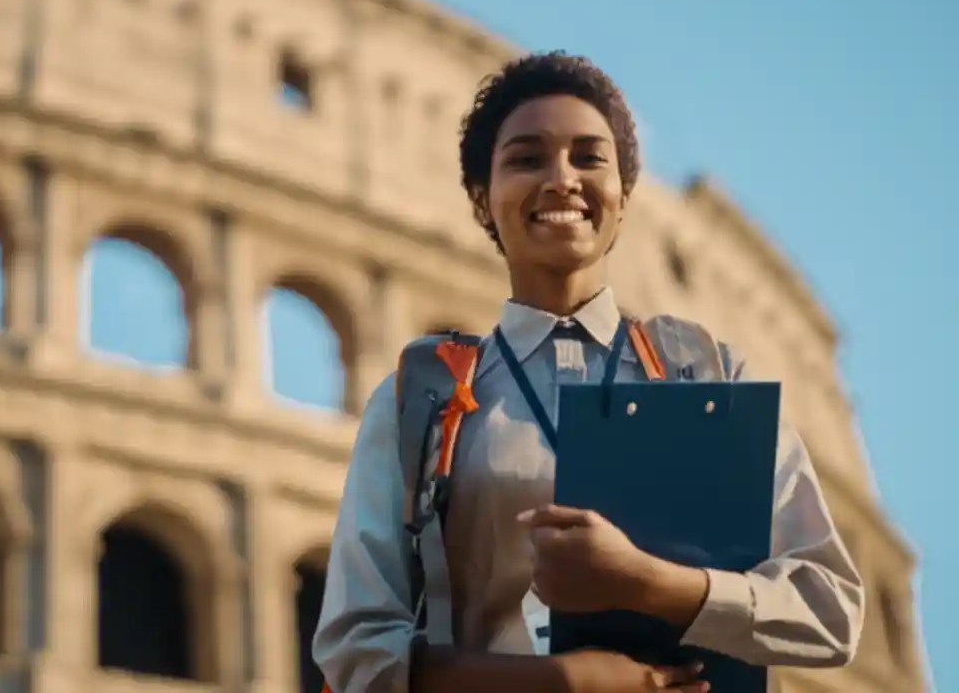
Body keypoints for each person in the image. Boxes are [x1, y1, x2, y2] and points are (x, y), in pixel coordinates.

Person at [311, 52, 864, 693]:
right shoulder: (425, 394)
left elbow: (831, 613)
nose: (561, 179)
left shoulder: (705, 372)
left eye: (589, 157)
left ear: (624, 196)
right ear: (480, 200)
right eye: (526, 158)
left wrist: (646, 582)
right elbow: (356, 652)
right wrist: (568, 682)